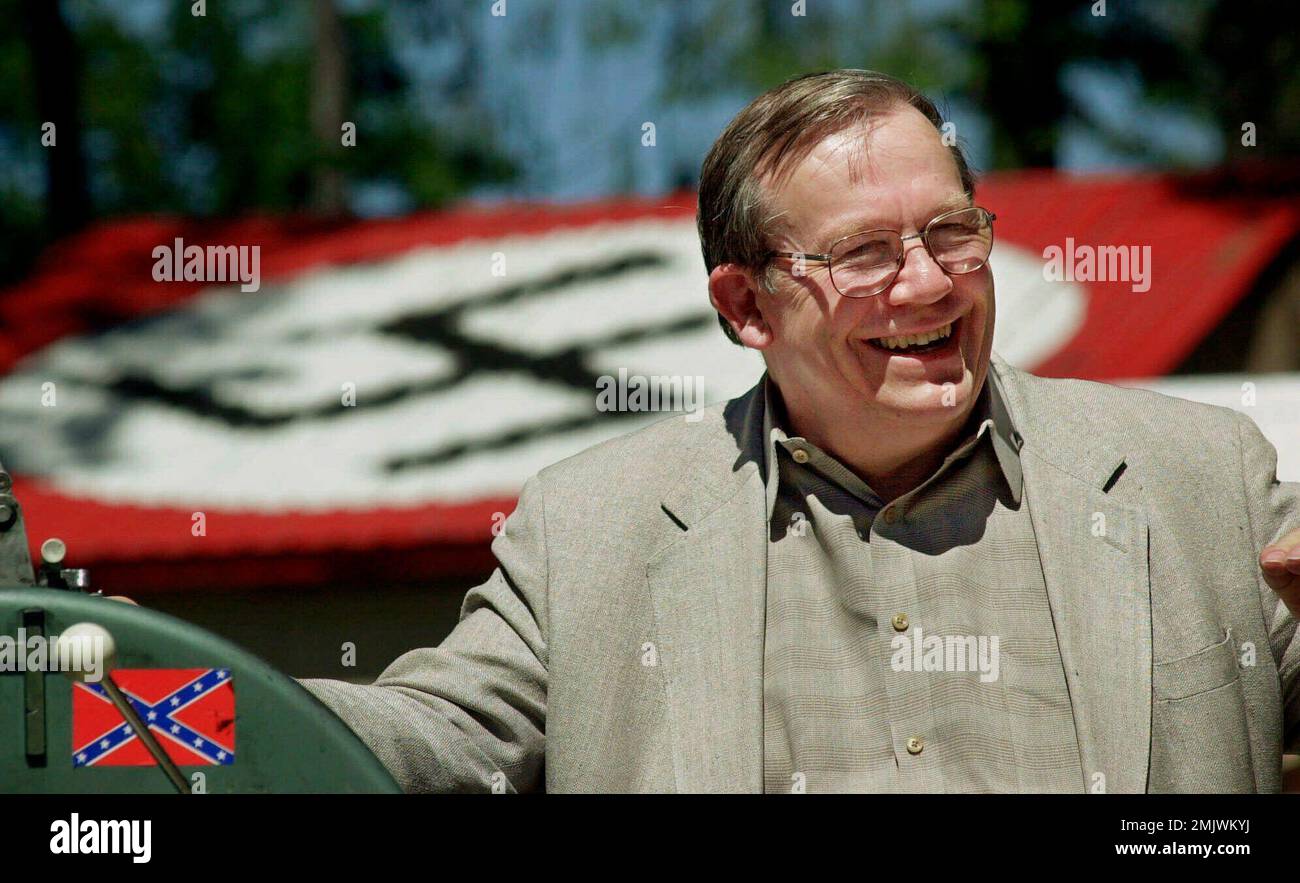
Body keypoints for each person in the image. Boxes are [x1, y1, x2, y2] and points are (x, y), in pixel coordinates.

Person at [297, 69, 1300, 793]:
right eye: (864, 253)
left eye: (951, 230)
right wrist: (174, 694)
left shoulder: (1198, 478)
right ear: (747, 307)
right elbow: (434, 737)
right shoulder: (588, 531)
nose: (928, 280)